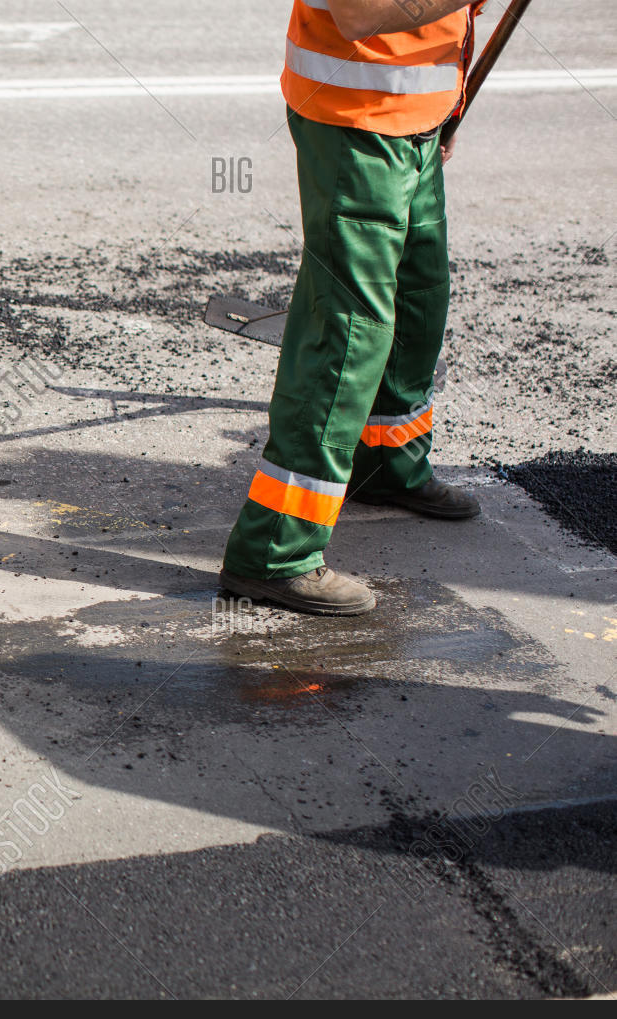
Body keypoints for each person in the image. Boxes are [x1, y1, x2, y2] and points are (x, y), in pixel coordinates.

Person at [219, 0, 485, 616]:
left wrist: (447, 105)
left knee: (418, 300)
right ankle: (273, 551)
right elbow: (363, 13)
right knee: (347, 334)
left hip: (415, 118)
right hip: (355, 122)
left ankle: (386, 464)